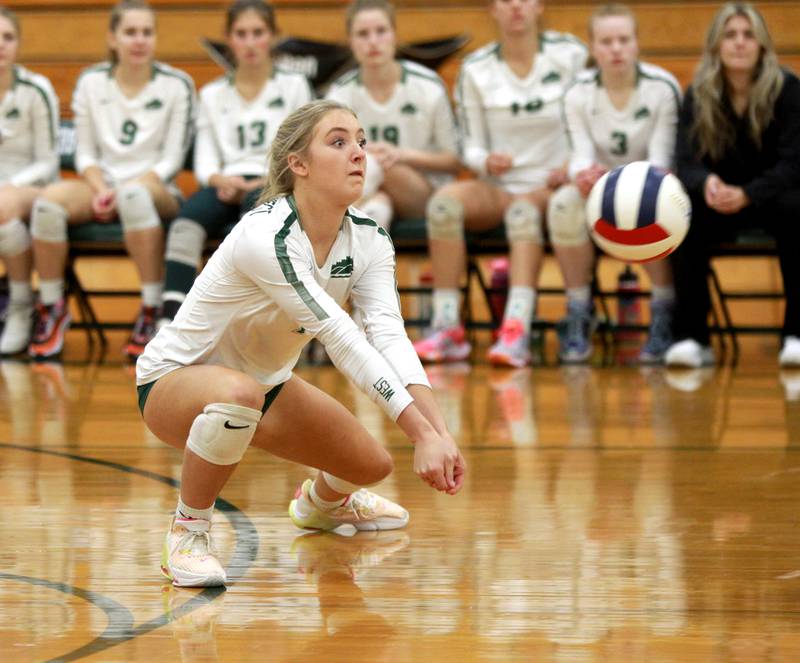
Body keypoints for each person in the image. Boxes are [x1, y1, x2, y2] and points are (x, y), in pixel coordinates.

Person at [136, 99, 466, 587]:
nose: (357, 153)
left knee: (370, 464)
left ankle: (321, 506)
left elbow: (389, 337)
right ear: (299, 165)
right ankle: (190, 533)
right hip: (172, 383)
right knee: (239, 396)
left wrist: (439, 433)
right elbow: (340, 336)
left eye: (360, 141)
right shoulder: (266, 232)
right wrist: (420, 434)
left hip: (265, 385)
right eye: (338, 142)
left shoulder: (370, 239)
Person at [412, 0, 586, 368]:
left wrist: (574, 164)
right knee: (443, 204)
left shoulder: (570, 54)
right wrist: (485, 160)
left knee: (523, 213)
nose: (516, 7)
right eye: (506, 0)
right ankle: (447, 328)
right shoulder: (476, 68)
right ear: (493, 9)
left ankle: (516, 329)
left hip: (549, 185)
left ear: (540, 6)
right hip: (498, 186)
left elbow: (590, 117)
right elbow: (469, 146)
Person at [28, 0, 195, 359]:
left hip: (157, 188)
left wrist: (122, 191)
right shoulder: (91, 82)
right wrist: (103, 189)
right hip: (100, 186)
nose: (139, 40)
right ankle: (53, 307)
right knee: (46, 206)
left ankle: (151, 309)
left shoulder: (176, 85)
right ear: (113, 38)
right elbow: (85, 153)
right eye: (130, 32)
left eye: (147, 32)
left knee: (134, 196)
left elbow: (171, 160)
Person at [159, 0, 312, 327]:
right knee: (186, 223)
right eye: (241, 34)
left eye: (258, 32)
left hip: (275, 182)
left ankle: (247, 318)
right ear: (229, 39)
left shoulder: (294, 87)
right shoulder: (213, 94)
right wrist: (217, 180)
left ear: (272, 36)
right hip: (224, 183)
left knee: (253, 219)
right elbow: (205, 158)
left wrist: (268, 180)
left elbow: (301, 147)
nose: (250, 42)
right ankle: (172, 322)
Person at [667, 2, 800, 368]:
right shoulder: (699, 93)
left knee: (797, 211)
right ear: (716, 45)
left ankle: (795, 335)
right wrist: (707, 183)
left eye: (748, 35)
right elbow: (686, 161)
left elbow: (794, 164)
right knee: (683, 220)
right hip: (720, 199)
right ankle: (694, 338)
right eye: (730, 35)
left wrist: (748, 194)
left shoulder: (787, 89)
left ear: (761, 45)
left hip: (772, 197)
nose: (739, 43)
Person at [548, 3, 681, 363]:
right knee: (562, 204)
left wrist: (622, 184)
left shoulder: (662, 88)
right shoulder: (577, 92)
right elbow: (580, 153)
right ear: (593, 47)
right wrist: (582, 173)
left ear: (637, 43)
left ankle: (665, 308)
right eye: (606, 41)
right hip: (600, 187)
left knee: (649, 201)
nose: (616, 48)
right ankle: (579, 309)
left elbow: (661, 162)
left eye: (624, 39)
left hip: (651, 183)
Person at [325, 0, 461, 231]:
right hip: (367, 192)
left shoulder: (427, 86)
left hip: (422, 194)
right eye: (363, 34)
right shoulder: (339, 93)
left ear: (395, 36)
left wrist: (400, 155)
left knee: (374, 161)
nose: (373, 42)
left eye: (381, 31)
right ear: (350, 42)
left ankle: (317, 229)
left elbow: (454, 161)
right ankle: (363, 265)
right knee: (377, 209)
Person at [0, 7, 59, 355]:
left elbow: (48, 160)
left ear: (18, 44)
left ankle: (21, 305)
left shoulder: (35, 90)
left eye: (7, 37)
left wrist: (10, 185)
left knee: (3, 205)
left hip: (32, 186)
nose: (1, 45)